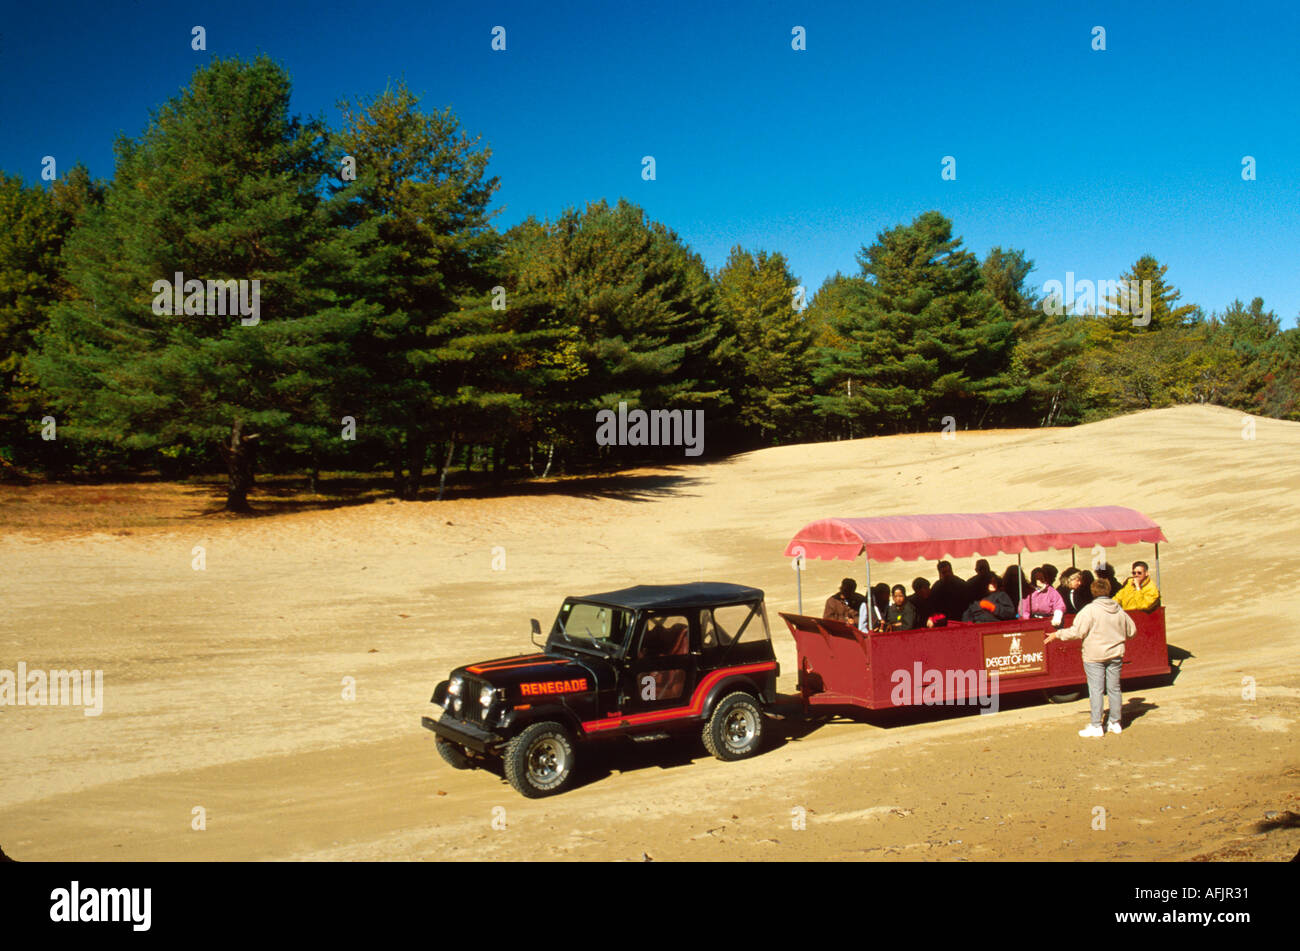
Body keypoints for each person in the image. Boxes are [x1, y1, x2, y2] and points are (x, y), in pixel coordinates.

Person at [1045, 578, 1137, 736]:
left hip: (1094, 656)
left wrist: (1057, 634)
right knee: (1114, 689)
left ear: (1093, 592)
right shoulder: (1118, 609)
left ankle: (1096, 725)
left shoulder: (1089, 610)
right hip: (1115, 654)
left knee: (1096, 690)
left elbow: (1077, 632)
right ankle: (1115, 722)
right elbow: (1132, 631)